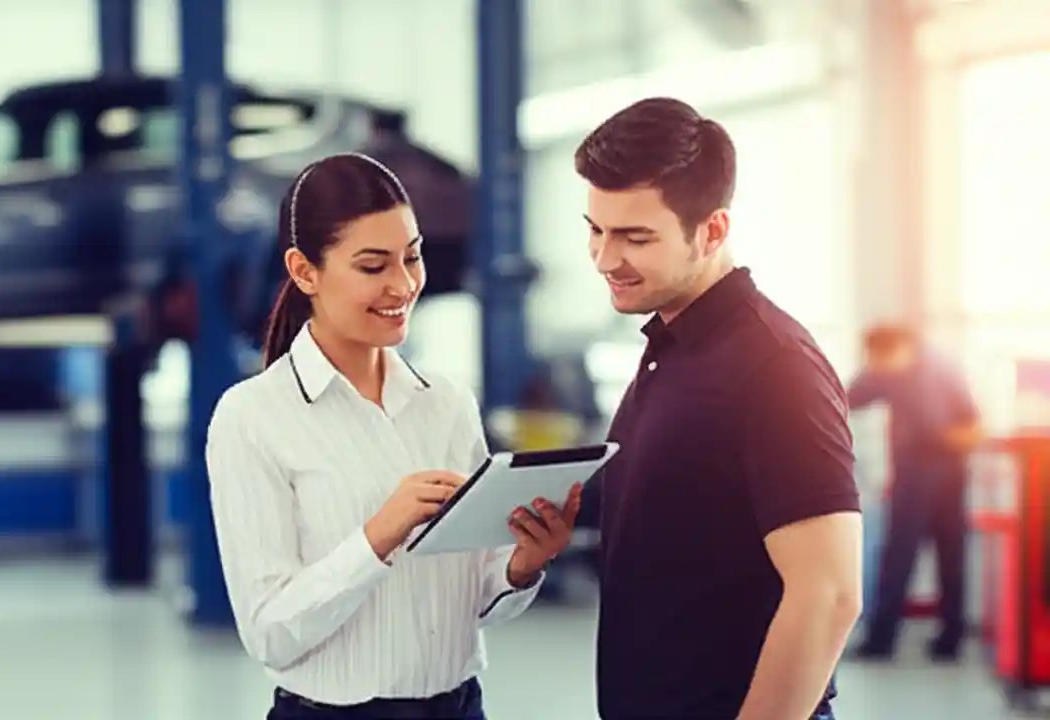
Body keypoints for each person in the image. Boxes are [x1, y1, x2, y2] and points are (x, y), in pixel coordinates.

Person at [205, 152, 582, 719]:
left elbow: (473, 599)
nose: (403, 284)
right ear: (305, 271)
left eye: (412, 257)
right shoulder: (253, 417)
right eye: (373, 265)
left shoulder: (447, 405)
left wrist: (521, 566)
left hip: (459, 708)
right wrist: (379, 534)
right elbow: (270, 634)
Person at [576, 98, 864, 720]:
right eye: (596, 230)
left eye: (635, 237)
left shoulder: (774, 365)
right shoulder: (670, 348)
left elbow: (830, 593)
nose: (604, 258)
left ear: (712, 230)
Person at [847, 324, 983, 662]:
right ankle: (948, 641)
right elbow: (853, 394)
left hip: (929, 476)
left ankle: (883, 642)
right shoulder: (911, 368)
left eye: (876, 359)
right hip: (944, 475)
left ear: (895, 349)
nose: (874, 366)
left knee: (901, 559)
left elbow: (952, 426)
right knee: (948, 558)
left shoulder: (928, 373)